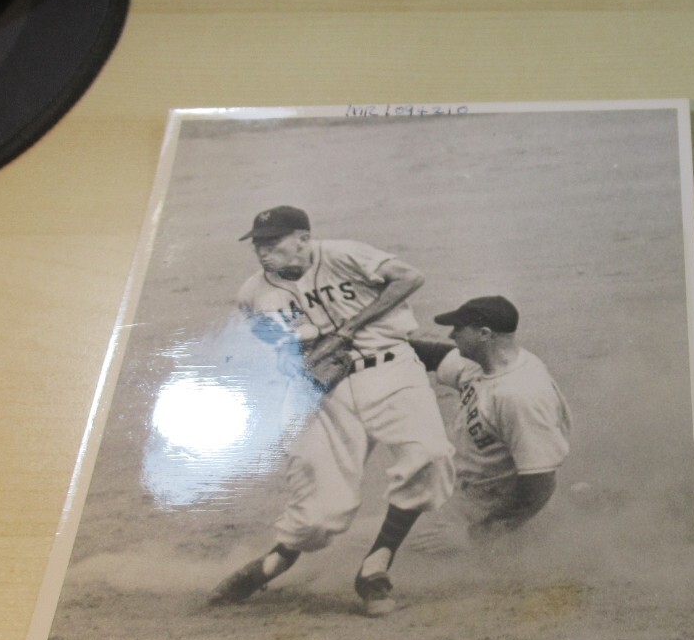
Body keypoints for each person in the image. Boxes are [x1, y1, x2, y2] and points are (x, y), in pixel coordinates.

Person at [208, 206, 456, 616]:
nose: (262, 251)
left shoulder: (344, 254)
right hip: (327, 391)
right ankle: (272, 563)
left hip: (391, 368)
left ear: (303, 239)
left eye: (272, 241)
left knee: (429, 456)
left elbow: (410, 277)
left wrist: (347, 329)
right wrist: (295, 362)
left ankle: (376, 565)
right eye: (258, 243)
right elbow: (268, 341)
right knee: (319, 515)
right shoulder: (253, 293)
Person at [407, 296, 571, 549]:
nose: (451, 335)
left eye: (459, 329)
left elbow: (540, 484)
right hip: (463, 495)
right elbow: (436, 356)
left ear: (484, 334)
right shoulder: (486, 364)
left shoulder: (518, 395)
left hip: (484, 512)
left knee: (356, 546)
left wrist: (474, 536)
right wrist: (371, 346)